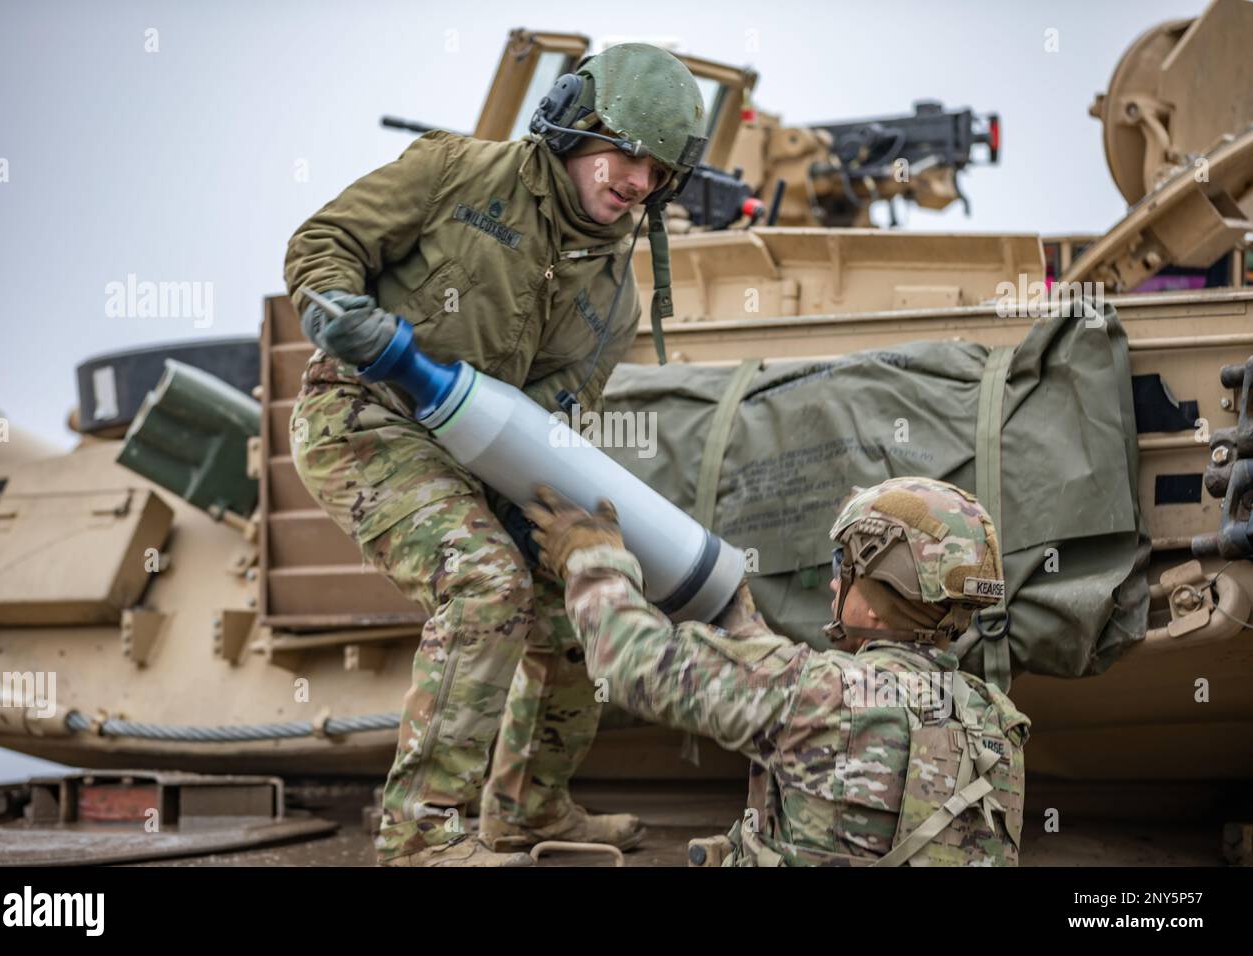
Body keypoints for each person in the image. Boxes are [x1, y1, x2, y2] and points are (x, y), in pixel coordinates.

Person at [283, 43, 707, 866]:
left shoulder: (615, 296)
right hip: (362, 415)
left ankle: (528, 807)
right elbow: (325, 238)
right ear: (578, 123)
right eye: (627, 153)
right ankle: (420, 836)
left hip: (481, 458)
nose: (637, 183)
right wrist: (337, 305)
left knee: (588, 591)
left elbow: (556, 422)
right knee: (485, 582)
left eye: (658, 172)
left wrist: (560, 532)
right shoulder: (456, 172)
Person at [526, 476, 1032, 866]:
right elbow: (792, 688)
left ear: (877, 607)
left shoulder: (814, 694)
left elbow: (630, 659)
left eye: (844, 570)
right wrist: (737, 619)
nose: (834, 587)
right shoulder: (995, 721)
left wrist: (590, 560)